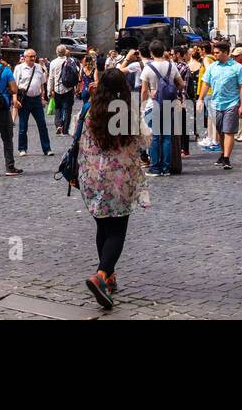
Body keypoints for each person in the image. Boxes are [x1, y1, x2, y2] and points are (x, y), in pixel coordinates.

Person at [78, 65, 149, 310]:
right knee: (118, 230)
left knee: (103, 226)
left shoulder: (91, 111)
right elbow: (145, 139)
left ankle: (108, 276)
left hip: (94, 177)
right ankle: (101, 274)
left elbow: (80, 142)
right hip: (120, 179)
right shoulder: (127, 112)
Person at [139, 41, 183, 177]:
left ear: (151, 52)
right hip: (169, 104)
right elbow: (181, 84)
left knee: (155, 137)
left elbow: (144, 90)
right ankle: (166, 168)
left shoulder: (148, 68)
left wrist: (142, 105)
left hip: (153, 105)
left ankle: (155, 168)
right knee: (167, 138)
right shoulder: (172, 66)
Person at [203, 40, 242, 170]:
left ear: (225, 53)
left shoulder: (236, 67)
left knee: (228, 131)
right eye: (214, 52)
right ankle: (223, 154)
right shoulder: (212, 67)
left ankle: (227, 158)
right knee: (221, 132)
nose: (214, 55)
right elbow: (206, 83)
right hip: (216, 103)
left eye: (217, 53)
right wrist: (200, 99)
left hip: (232, 103)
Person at [14, 49, 53, 157]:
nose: (32, 58)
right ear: (25, 57)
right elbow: (14, 86)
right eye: (30, 56)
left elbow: (41, 84)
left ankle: (47, 148)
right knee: (23, 125)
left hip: (36, 100)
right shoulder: (19, 68)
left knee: (42, 124)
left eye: (34, 56)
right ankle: (22, 148)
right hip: (24, 100)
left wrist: (42, 97)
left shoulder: (39, 67)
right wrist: (15, 99)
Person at [48, 45, 80, 136]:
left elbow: (51, 77)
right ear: (65, 52)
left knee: (58, 108)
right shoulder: (71, 61)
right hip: (68, 88)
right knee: (67, 109)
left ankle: (58, 124)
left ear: (56, 52)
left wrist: (49, 90)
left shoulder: (53, 62)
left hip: (57, 88)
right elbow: (77, 72)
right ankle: (65, 129)